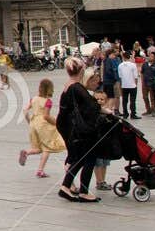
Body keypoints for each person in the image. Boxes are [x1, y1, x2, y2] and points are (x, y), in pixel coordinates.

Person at [55, 58, 104, 203]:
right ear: (81, 70)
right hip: (74, 127)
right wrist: (104, 110)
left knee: (81, 157)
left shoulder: (68, 85)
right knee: (88, 156)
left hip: (66, 125)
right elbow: (92, 105)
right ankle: (79, 191)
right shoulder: (76, 87)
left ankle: (69, 187)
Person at [19, 78, 65, 178]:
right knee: (47, 147)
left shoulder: (34, 99)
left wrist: (29, 121)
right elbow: (46, 116)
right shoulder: (47, 102)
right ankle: (40, 170)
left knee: (37, 148)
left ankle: (26, 153)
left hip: (33, 123)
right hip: (43, 125)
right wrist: (56, 123)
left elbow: (25, 110)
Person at [116, 52, 139, 118]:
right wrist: (136, 84)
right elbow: (136, 76)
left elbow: (120, 77)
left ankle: (125, 113)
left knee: (124, 101)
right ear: (129, 57)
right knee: (133, 100)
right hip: (132, 85)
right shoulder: (133, 65)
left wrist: (120, 86)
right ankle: (133, 114)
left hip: (124, 85)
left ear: (123, 57)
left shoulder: (120, 65)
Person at [141, 51, 155, 117]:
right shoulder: (145, 64)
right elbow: (142, 73)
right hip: (145, 83)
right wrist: (142, 82)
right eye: (150, 56)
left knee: (152, 98)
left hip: (152, 83)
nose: (150, 57)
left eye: (152, 56)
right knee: (145, 97)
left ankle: (153, 110)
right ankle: (148, 110)